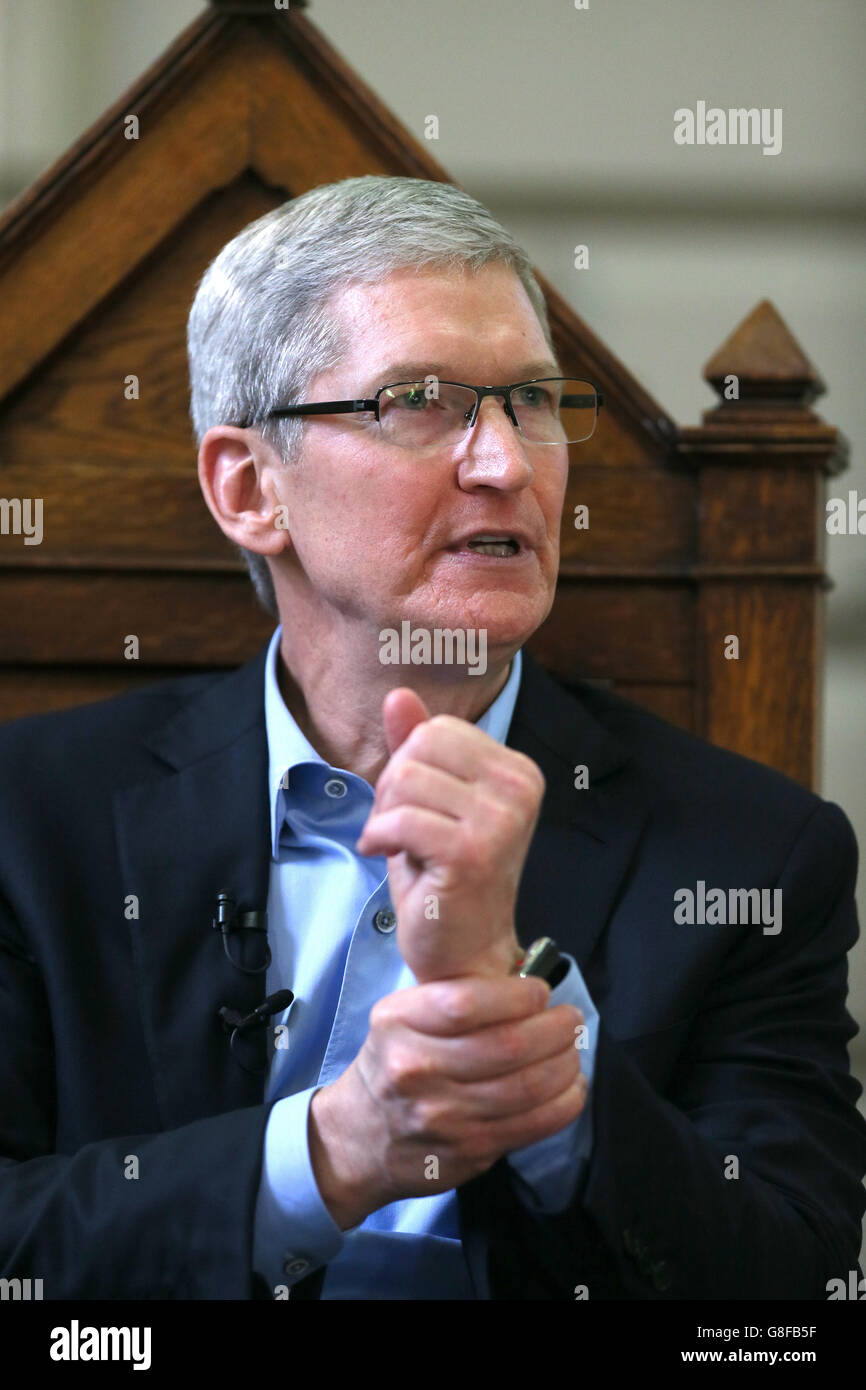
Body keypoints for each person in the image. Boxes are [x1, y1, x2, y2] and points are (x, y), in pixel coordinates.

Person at [0, 175, 863, 1300]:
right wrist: (331, 1153)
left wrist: (537, 1065)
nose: (504, 463)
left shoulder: (753, 851)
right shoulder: (30, 818)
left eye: (532, 402)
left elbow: (784, 1282)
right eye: (418, 401)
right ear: (251, 485)